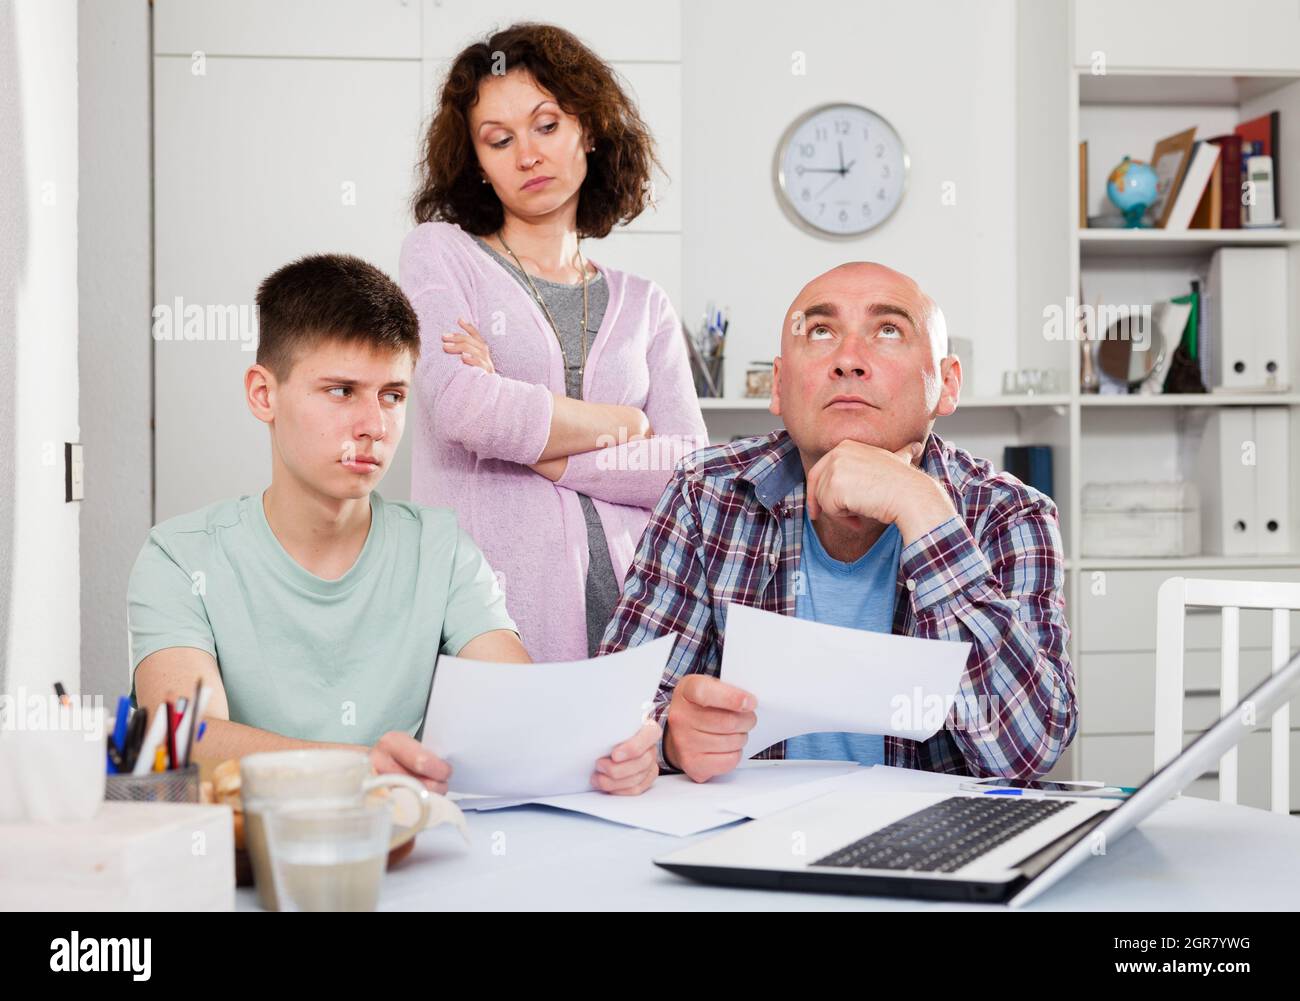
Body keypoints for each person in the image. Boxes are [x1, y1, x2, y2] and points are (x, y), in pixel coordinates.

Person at [128, 254, 660, 797]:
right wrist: (360, 767)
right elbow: (187, 736)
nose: (374, 426)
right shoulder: (179, 556)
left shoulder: (441, 547)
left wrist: (618, 748)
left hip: (409, 849)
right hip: (250, 861)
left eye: (393, 396)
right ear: (264, 394)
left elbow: (521, 702)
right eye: (341, 391)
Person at [599, 262, 1076, 783]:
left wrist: (922, 510)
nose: (849, 360)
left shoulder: (1009, 513)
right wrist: (669, 735)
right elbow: (615, 714)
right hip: (749, 841)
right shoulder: (704, 492)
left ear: (946, 384)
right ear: (778, 386)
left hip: (928, 851)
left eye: (889, 331)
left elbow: (1025, 753)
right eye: (820, 332)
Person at [400, 22, 707, 662]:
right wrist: (625, 423)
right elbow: (462, 408)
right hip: (491, 619)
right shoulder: (440, 255)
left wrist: (538, 448)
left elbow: (688, 470)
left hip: (641, 613)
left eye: (546, 125)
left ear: (587, 130)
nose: (527, 155)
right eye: (498, 140)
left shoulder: (645, 302)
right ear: (478, 164)